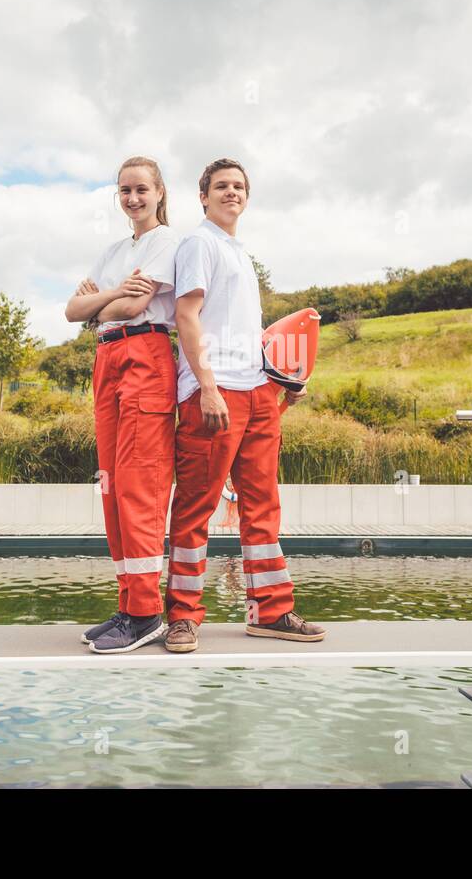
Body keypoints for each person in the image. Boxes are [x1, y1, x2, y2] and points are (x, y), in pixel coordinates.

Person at [164, 158, 326, 653]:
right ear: (204, 197)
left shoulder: (239, 253)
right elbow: (185, 315)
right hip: (214, 393)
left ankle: (271, 612)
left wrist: (283, 380)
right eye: (221, 186)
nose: (231, 192)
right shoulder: (199, 243)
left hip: (258, 392)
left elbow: (245, 332)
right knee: (196, 506)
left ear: (247, 197)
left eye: (239, 186)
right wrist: (207, 386)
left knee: (262, 508)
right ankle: (183, 617)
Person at [64, 156, 179, 653]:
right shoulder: (114, 252)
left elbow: (134, 308)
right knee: (112, 481)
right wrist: (110, 295)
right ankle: (129, 604)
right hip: (107, 357)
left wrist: (99, 306)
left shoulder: (168, 241)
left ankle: (148, 612)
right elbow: (72, 311)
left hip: (145, 353)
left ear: (158, 192)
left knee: (140, 480)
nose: (133, 199)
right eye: (124, 191)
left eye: (141, 190)